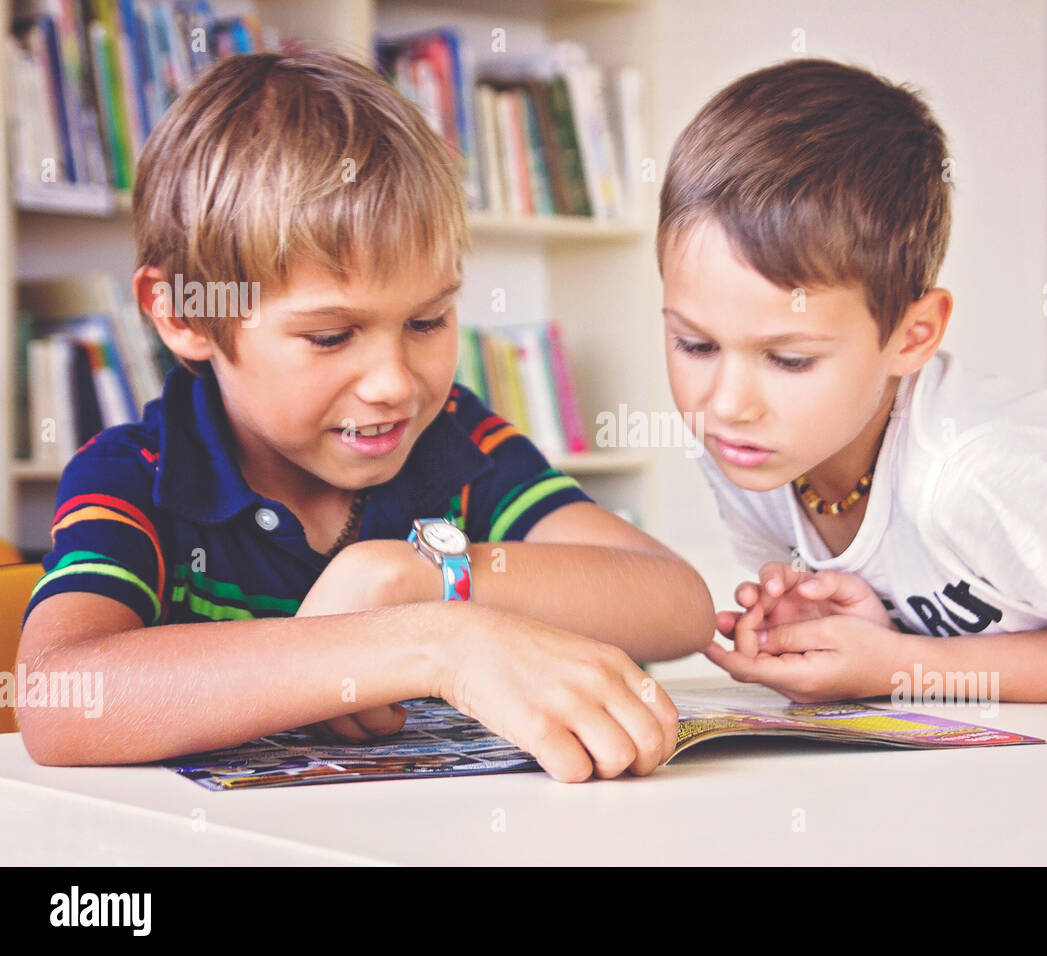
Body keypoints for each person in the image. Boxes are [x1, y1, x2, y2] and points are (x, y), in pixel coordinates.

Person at [18, 51, 715, 783]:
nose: (393, 384)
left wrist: (407, 576)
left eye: (427, 320)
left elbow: (677, 602)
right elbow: (58, 696)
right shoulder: (139, 475)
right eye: (331, 336)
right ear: (183, 313)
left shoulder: (458, 443)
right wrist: (432, 643)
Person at [657, 58, 1047, 703]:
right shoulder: (750, 459)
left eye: (789, 360)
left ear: (913, 337)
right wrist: (856, 636)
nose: (728, 404)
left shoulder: (972, 476)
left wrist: (899, 667)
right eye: (696, 344)